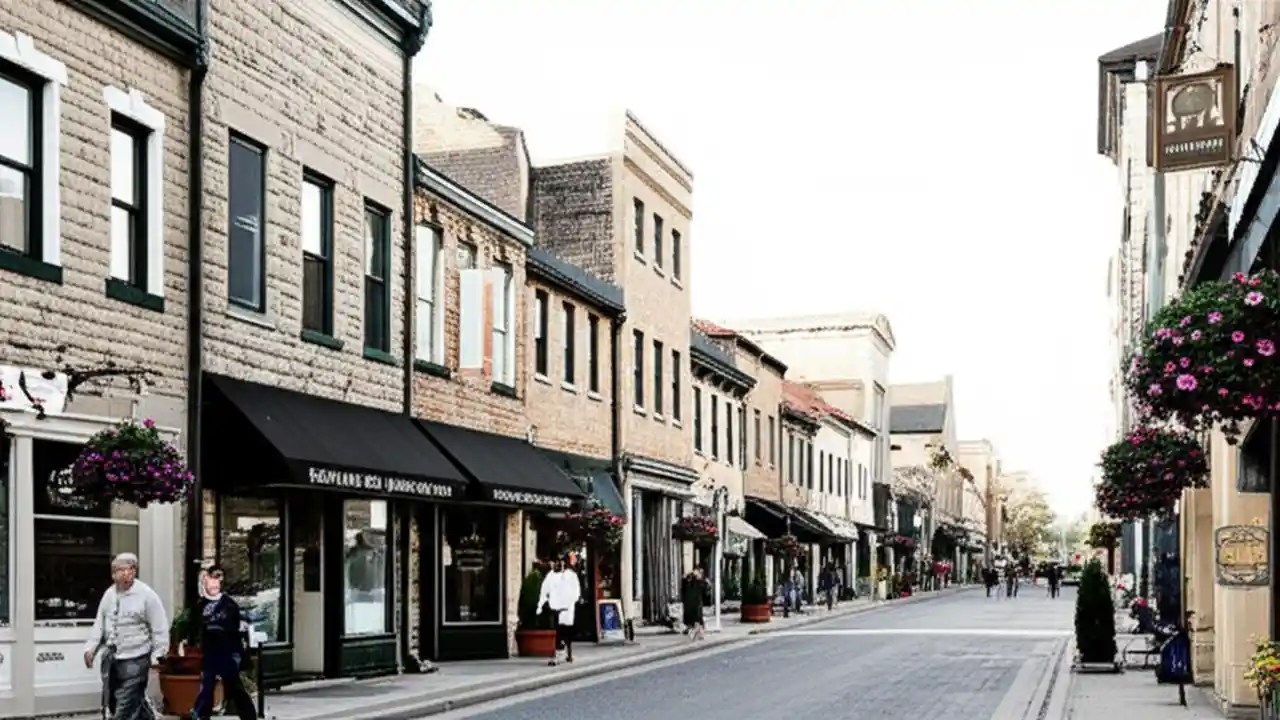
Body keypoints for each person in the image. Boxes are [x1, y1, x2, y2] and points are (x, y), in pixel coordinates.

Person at [84, 552, 169, 720]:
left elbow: (160, 627)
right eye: (120, 570)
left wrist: (158, 655)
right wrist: (91, 648)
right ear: (113, 573)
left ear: (134, 571)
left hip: (136, 659)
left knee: (124, 706)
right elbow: (100, 624)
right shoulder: (109, 595)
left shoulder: (147, 595)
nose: (125, 573)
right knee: (122, 702)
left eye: (130, 569)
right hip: (113, 659)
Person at [190, 565, 258, 720]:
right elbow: (195, 627)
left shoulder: (229, 605)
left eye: (218, 577)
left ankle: (249, 715)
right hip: (210, 651)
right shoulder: (201, 605)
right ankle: (200, 715)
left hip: (227, 650)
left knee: (233, 686)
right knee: (207, 687)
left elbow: (234, 629)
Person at [539, 556, 581, 666]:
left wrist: (569, 601)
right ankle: (561, 653)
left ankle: (566, 654)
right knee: (558, 630)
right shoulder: (553, 576)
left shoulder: (572, 576)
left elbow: (576, 592)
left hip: (567, 607)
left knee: (565, 631)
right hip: (556, 607)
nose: (560, 566)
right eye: (559, 563)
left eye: (563, 564)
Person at [680, 567, 707, 640]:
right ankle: (698, 633)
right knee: (695, 620)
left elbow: (705, 589)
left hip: (694, 604)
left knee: (696, 620)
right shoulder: (690, 582)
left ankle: (698, 633)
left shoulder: (699, 582)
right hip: (692, 604)